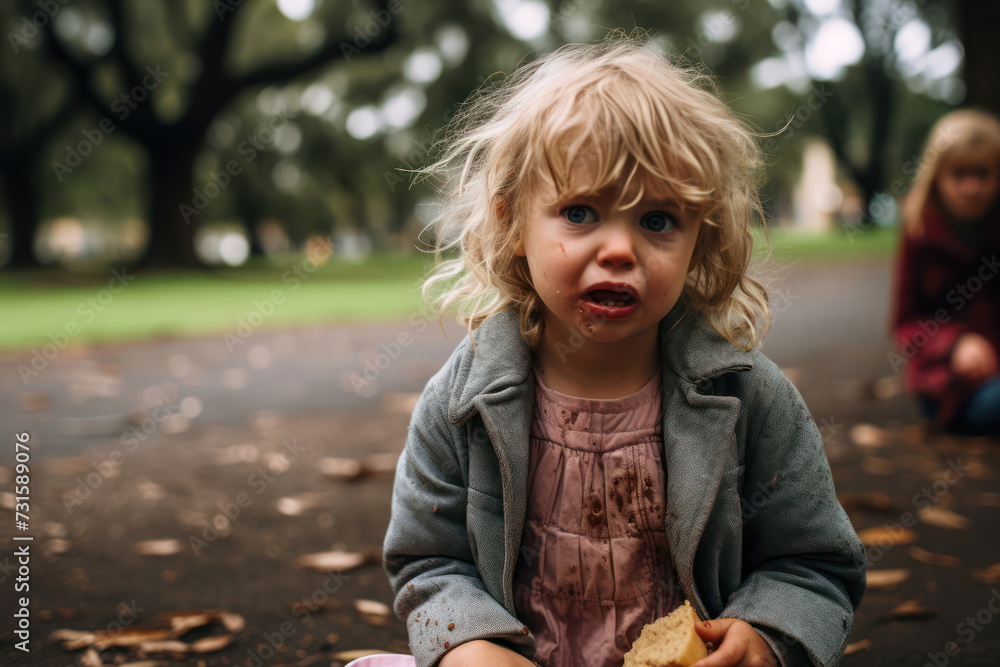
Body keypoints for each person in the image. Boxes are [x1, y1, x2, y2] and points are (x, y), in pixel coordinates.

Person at [382, 32, 866, 667]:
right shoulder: (464, 400)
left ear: (702, 238)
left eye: (658, 221)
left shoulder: (749, 398)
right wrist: (466, 641)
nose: (619, 249)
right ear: (511, 225)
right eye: (580, 212)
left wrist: (766, 634)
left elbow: (813, 561)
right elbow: (428, 558)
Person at [889, 109, 1000, 437]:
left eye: (982, 174)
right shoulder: (919, 231)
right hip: (947, 385)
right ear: (936, 175)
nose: (971, 187)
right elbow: (904, 325)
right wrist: (955, 344)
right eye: (959, 174)